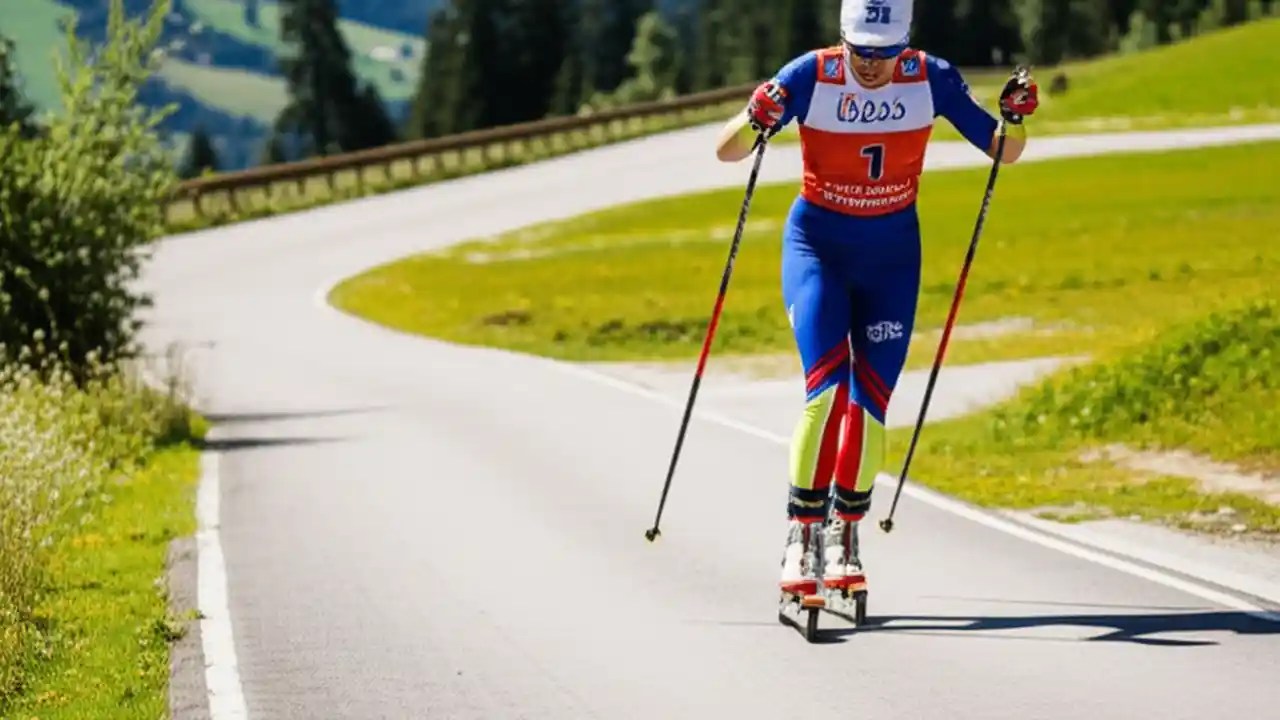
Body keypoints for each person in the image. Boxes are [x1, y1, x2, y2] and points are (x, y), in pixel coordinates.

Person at [714, 0, 1039, 597]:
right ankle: (800, 537)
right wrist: (757, 116)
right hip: (818, 249)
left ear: (905, 42)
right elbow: (728, 150)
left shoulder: (931, 78)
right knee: (827, 389)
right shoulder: (810, 74)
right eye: (861, 51)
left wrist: (1015, 118)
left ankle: (845, 533)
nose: (870, 65)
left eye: (884, 53)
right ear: (843, 38)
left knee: (871, 401)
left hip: (891, 258)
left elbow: (1003, 150)